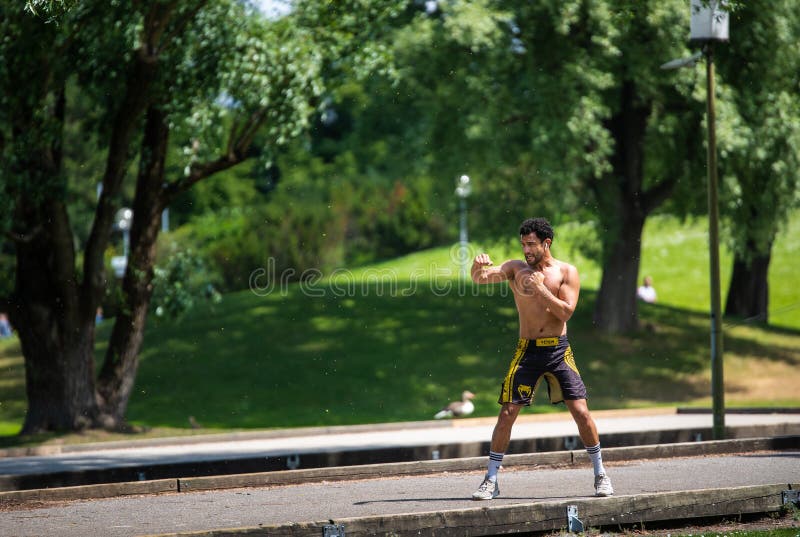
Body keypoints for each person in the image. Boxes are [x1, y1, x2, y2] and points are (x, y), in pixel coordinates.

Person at [469, 217, 613, 500]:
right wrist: (476, 266)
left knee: (581, 412)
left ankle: (600, 474)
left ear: (547, 243)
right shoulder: (515, 268)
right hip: (527, 350)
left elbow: (566, 312)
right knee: (507, 412)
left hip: (559, 350)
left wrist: (541, 289)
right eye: (523, 244)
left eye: (531, 244)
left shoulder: (567, 272)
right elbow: (480, 278)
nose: (526, 250)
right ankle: (491, 479)